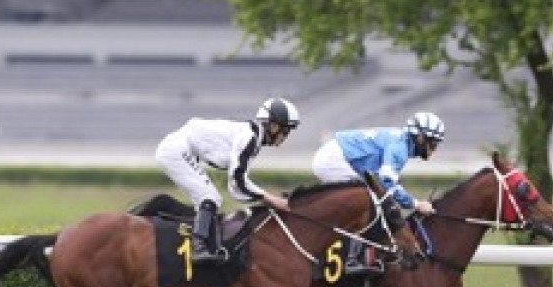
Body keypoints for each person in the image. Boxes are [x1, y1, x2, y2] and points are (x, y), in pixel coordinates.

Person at [155, 97, 300, 264]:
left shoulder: (252, 137)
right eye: (285, 130)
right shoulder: (249, 138)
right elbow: (238, 182)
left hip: (178, 148)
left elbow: (238, 181)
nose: (285, 136)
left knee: (210, 199)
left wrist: (265, 197)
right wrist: (271, 199)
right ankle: (198, 248)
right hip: (176, 151)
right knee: (210, 198)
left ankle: (208, 246)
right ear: (273, 126)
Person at [311, 111, 445, 273]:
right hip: (333, 160)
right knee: (366, 202)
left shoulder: (401, 142)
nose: (434, 148)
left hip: (336, 156)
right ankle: (352, 259)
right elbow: (387, 181)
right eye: (433, 143)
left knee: (374, 200)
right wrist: (416, 204)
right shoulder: (399, 148)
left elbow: (384, 184)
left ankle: (365, 253)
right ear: (420, 138)